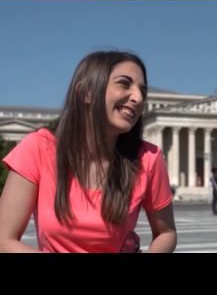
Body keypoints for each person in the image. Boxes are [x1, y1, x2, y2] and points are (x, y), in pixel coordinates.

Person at [0, 51, 177, 253]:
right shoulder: (39, 149)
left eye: (142, 92)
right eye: (124, 83)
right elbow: (4, 241)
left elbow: (166, 232)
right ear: (86, 92)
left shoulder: (148, 159)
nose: (138, 97)